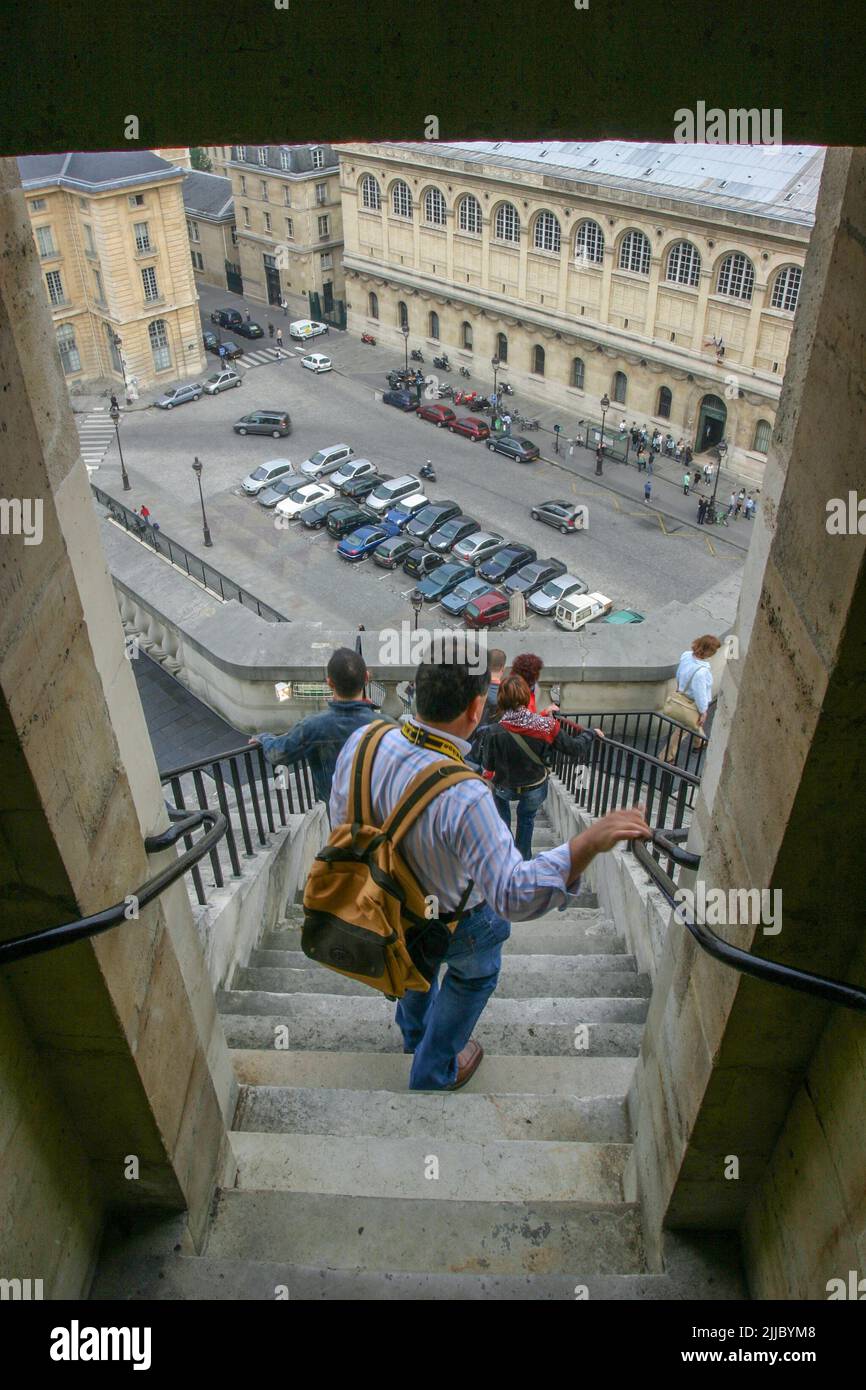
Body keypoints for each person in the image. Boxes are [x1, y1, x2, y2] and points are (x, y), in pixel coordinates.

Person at [329, 658, 652, 1091]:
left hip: (379, 902)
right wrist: (585, 844)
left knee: (411, 962)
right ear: (476, 708)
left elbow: (341, 821)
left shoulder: (364, 741)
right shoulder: (465, 794)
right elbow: (512, 896)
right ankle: (431, 1069)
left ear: (416, 694)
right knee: (474, 972)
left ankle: (414, 1036)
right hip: (454, 921)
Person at [483, 676, 605, 859]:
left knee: (502, 814)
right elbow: (574, 748)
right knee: (526, 819)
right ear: (526, 697)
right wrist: (590, 733)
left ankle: (505, 852)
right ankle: (523, 859)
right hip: (534, 786)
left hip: (504, 786)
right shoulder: (547, 726)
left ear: (501, 699)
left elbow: (489, 765)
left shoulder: (493, 731)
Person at [250, 648, 382, 812]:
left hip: (339, 813)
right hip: (379, 813)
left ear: (330, 683)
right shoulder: (385, 726)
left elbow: (278, 753)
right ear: (367, 678)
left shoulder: (312, 727)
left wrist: (264, 738)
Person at [663, 635, 722, 763]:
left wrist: (680, 687)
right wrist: (704, 711)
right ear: (708, 651)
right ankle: (666, 757)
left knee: (693, 724)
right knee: (682, 730)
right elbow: (700, 694)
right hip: (692, 703)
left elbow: (679, 673)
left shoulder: (686, 655)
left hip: (682, 695)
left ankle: (700, 742)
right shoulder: (702, 672)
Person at [466, 647, 508, 770]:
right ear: (502, 668)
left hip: (472, 753)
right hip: (498, 756)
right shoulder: (510, 694)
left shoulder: (473, 691)